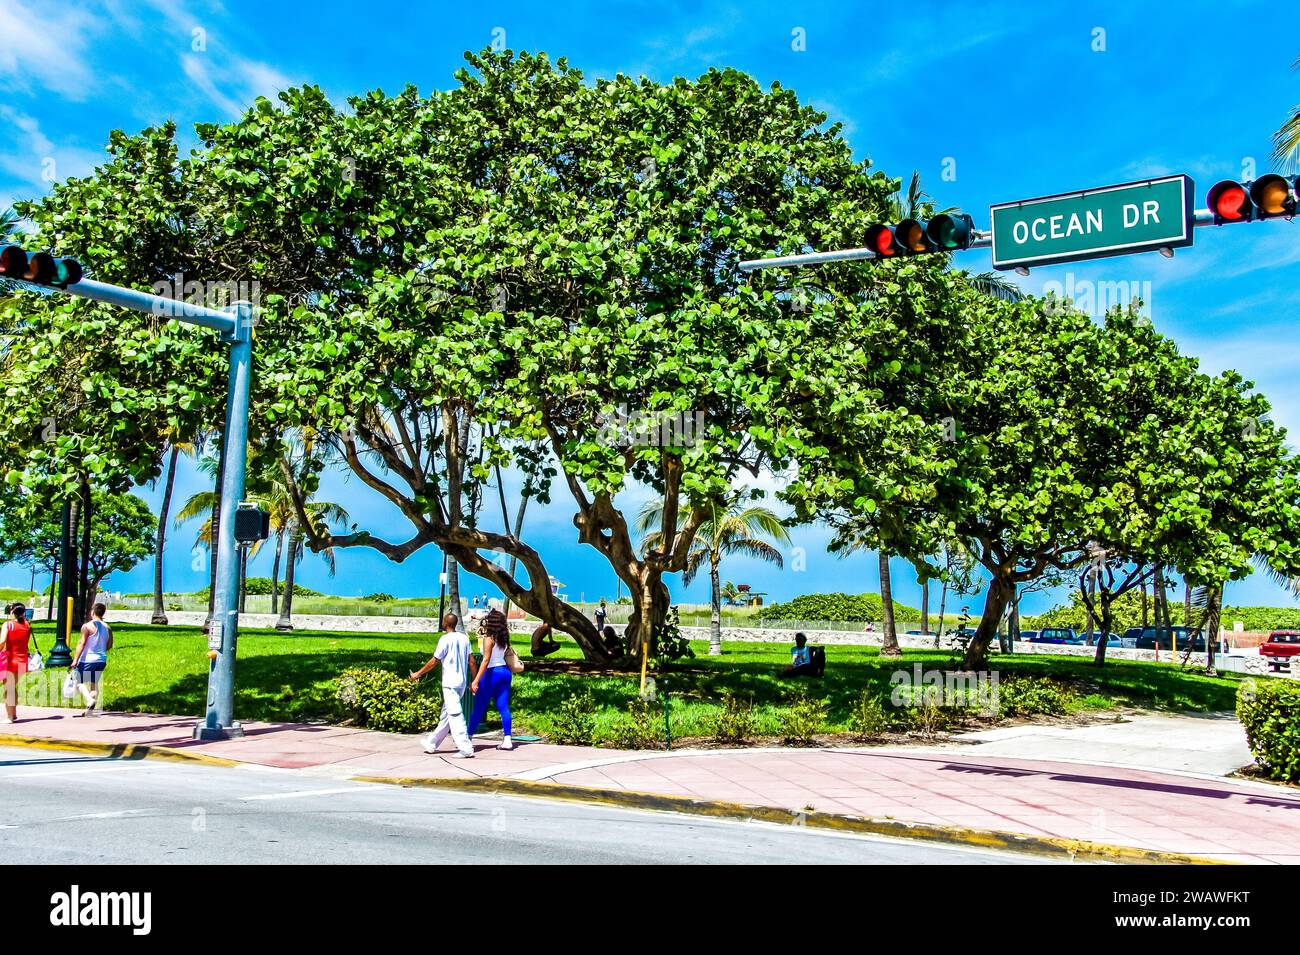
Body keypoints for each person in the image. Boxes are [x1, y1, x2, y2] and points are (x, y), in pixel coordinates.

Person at [410, 613, 476, 757]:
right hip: (461, 683)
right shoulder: (464, 638)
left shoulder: (445, 639)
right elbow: (471, 661)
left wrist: (418, 673)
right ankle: (432, 743)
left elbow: (435, 661)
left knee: (455, 714)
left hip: (450, 683)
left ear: (446, 623)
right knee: (446, 714)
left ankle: (465, 748)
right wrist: (474, 680)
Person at [468, 609, 516, 751]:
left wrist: (476, 680)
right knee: (503, 706)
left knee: (479, 707)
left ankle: (468, 737)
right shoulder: (504, 637)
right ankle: (508, 739)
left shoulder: (489, 638)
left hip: (491, 673)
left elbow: (486, 660)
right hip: (504, 672)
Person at [70, 603, 113, 717]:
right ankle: (89, 711)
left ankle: (89, 700)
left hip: (88, 659)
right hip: (101, 660)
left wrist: (75, 660)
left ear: (93, 612)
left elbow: (81, 643)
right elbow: (109, 645)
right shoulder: (108, 627)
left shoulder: (87, 626)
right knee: (94, 684)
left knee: (78, 681)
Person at [0, 603, 32, 723]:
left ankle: (9, 717)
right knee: (12, 687)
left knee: (9, 688)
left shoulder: (8, 625)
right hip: (23, 660)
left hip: (10, 660)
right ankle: (13, 714)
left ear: (12, 612)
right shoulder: (27, 625)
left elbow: (2, 641)